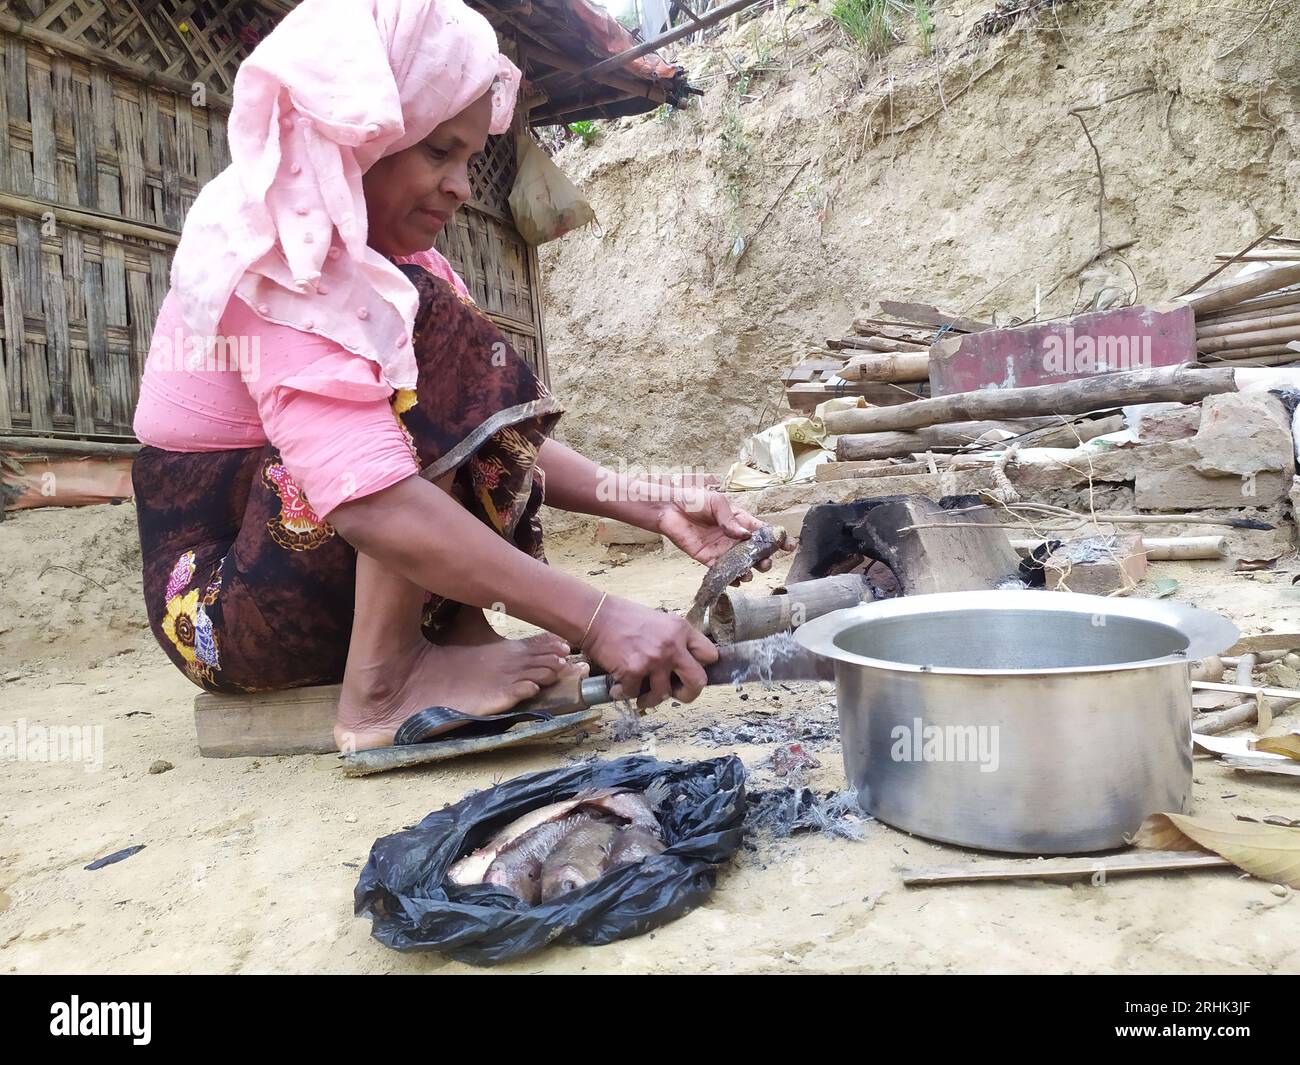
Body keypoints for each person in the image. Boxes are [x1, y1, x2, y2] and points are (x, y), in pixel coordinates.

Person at [131, 0, 772, 752]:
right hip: (226, 611)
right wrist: (599, 616)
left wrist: (657, 503)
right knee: (414, 338)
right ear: (356, 134)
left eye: (469, 159)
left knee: (436, 353)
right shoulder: (276, 251)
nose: (462, 186)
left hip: (289, 569)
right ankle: (383, 685)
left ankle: (441, 637)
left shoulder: (393, 264)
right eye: (438, 151)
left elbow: (485, 434)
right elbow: (366, 498)